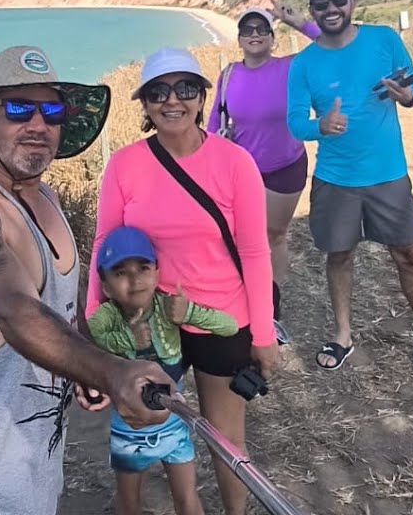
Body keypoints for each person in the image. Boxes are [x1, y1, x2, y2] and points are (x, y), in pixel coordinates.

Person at [0, 45, 178, 515]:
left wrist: (82, 360)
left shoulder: (44, 197)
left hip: (34, 467)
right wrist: (113, 371)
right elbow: (15, 309)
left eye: (52, 111)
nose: (37, 124)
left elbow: (56, 300)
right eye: (18, 108)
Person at [87, 46, 277, 515]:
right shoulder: (125, 165)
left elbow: (254, 251)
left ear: (202, 98)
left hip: (219, 320)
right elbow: (102, 244)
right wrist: (94, 329)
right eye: (158, 91)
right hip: (145, 323)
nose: (173, 100)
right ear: (145, 104)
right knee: (140, 432)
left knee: (225, 440)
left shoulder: (234, 162)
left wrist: (264, 332)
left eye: (185, 88)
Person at [285, 0, 413, 388]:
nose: (331, 9)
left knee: (410, 256)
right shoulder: (303, 64)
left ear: (352, 0)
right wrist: (321, 127)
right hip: (335, 178)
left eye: (338, 0)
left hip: (388, 174)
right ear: (312, 9)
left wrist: (410, 96)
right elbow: (295, 123)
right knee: (340, 255)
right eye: (321, 4)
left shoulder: (384, 39)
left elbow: (412, 85)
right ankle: (342, 336)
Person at [87, 226, 239, 515]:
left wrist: (189, 313)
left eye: (143, 268)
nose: (134, 280)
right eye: (120, 272)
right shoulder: (108, 316)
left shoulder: (168, 307)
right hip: (129, 426)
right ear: (105, 286)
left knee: (187, 497)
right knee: (129, 502)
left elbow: (229, 326)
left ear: (157, 273)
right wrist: (127, 339)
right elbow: (94, 337)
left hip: (174, 419)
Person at [206, 7, 319, 345]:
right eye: (247, 29)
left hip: (285, 166)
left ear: (272, 37)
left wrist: (299, 22)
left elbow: (327, 44)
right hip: (241, 172)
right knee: (240, 238)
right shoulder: (228, 75)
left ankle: (271, 303)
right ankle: (243, 298)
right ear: (239, 39)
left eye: (261, 29)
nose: (254, 34)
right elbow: (213, 124)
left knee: (274, 236)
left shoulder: (291, 67)